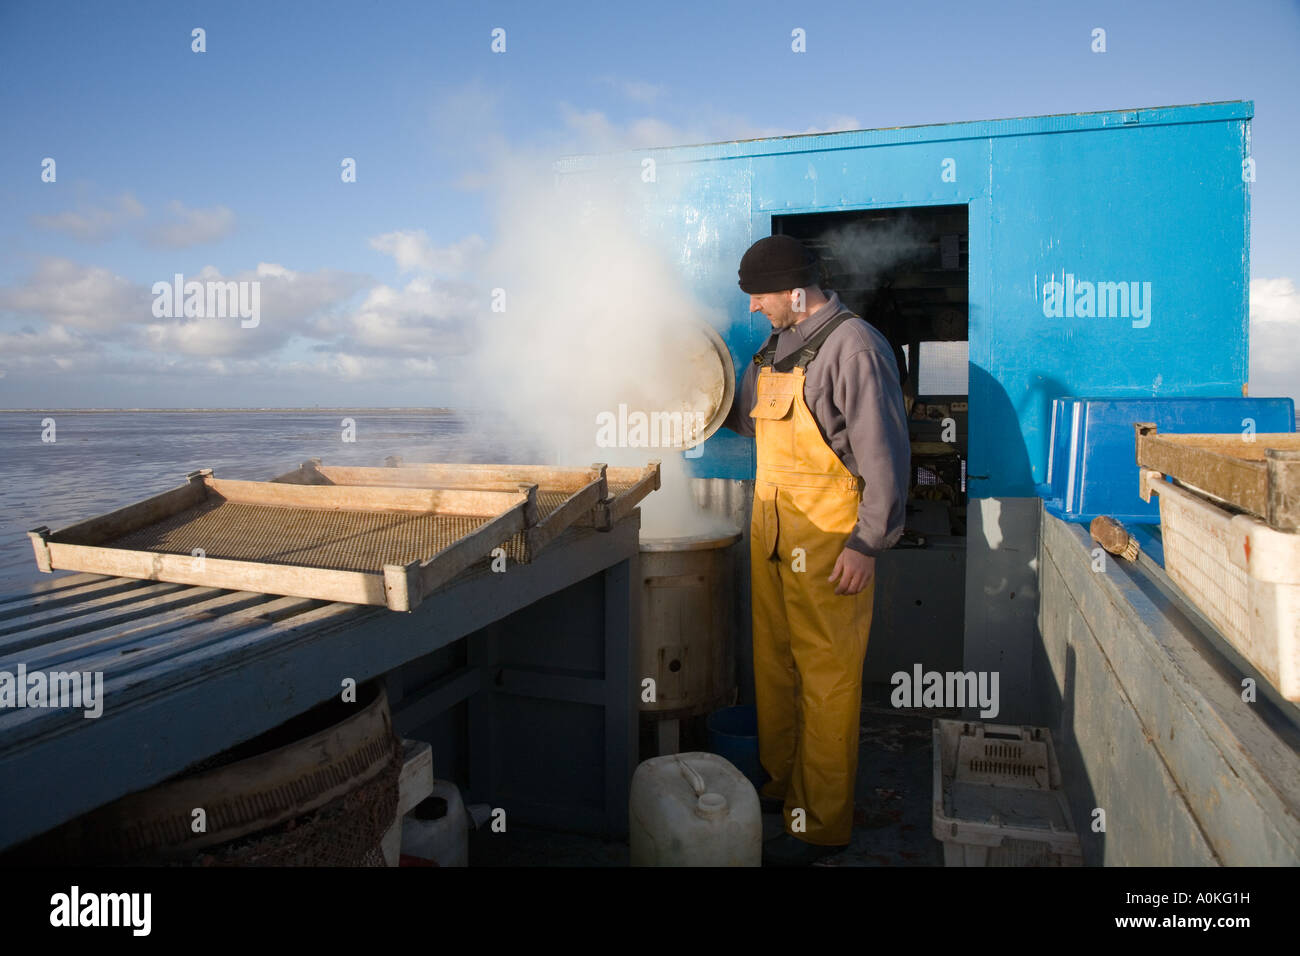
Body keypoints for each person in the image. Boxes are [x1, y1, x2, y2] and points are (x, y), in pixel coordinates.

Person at [722, 234, 911, 866]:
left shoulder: (854, 347)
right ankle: (783, 790)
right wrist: (693, 392)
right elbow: (749, 420)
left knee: (827, 682)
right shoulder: (776, 349)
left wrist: (868, 543)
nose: (753, 308)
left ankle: (819, 825)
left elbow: (884, 455)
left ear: (795, 292)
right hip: (774, 539)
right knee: (774, 670)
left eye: (759, 296)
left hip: (832, 545)